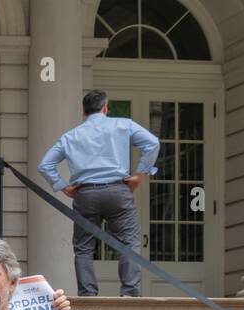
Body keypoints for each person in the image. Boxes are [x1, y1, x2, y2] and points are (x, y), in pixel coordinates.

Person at [38, 89, 159, 297]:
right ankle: (129, 294)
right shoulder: (123, 124)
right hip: (117, 190)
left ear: (83, 112)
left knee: (84, 248)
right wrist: (141, 174)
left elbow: (45, 165)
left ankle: (88, 295)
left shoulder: (70, 137)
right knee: (128, 243)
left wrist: (63, 186)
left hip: (85, 195)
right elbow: (153, 143)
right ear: (105, 108)